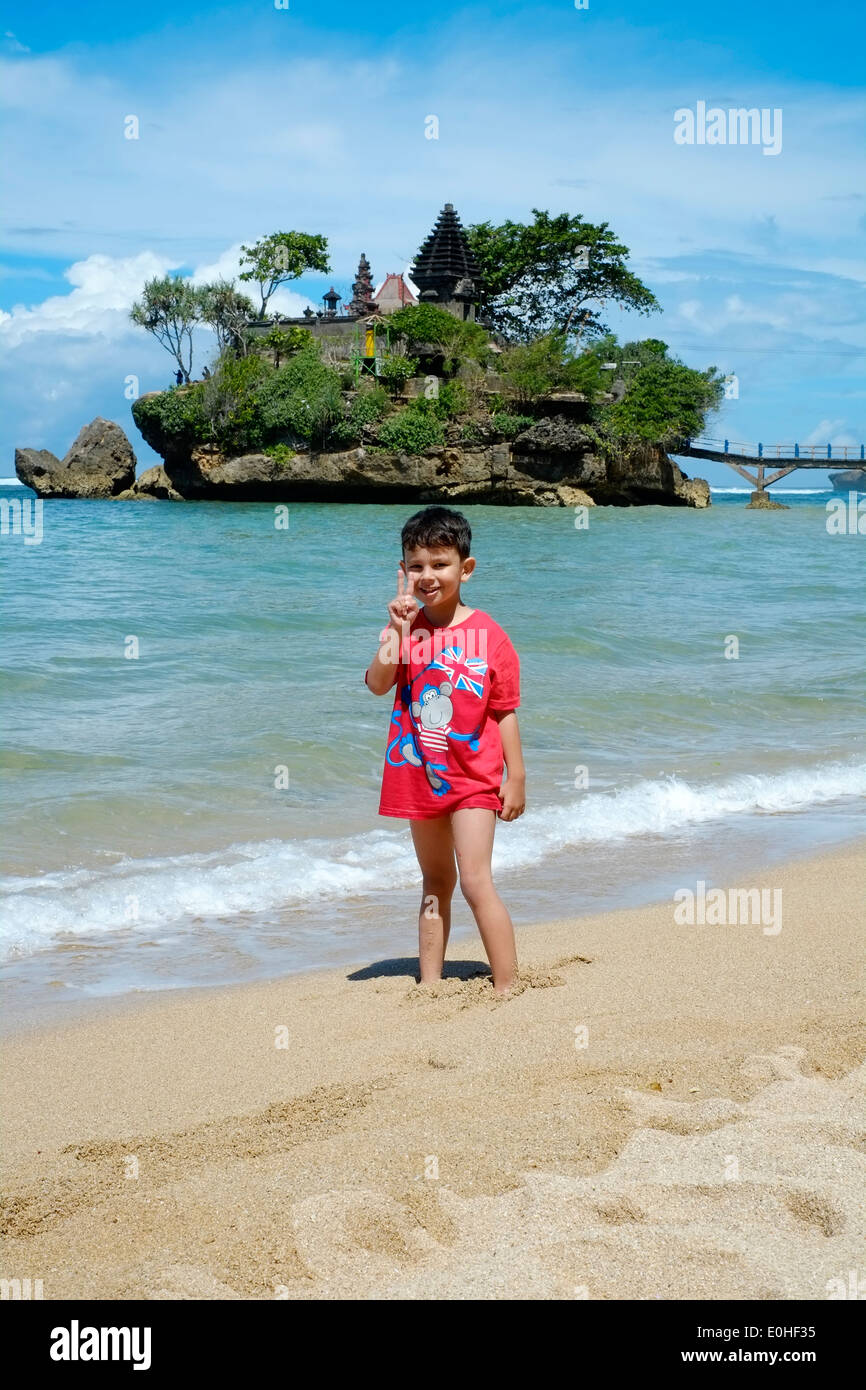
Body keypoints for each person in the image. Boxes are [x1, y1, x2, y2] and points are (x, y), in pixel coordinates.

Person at [364, 506, 525, 995]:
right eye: (416, 566)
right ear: (403, 571)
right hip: (418, 774)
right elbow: (377, 684)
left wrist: (514, 775)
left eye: (440, 563)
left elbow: (504, 710)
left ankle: (508, 985)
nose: (428, 575)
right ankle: (429, 985)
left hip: (475, 778)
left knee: (475, 880)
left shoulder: (490, 635)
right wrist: (395, 629)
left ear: (465, 568)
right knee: (435, 882)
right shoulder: (403, 630)